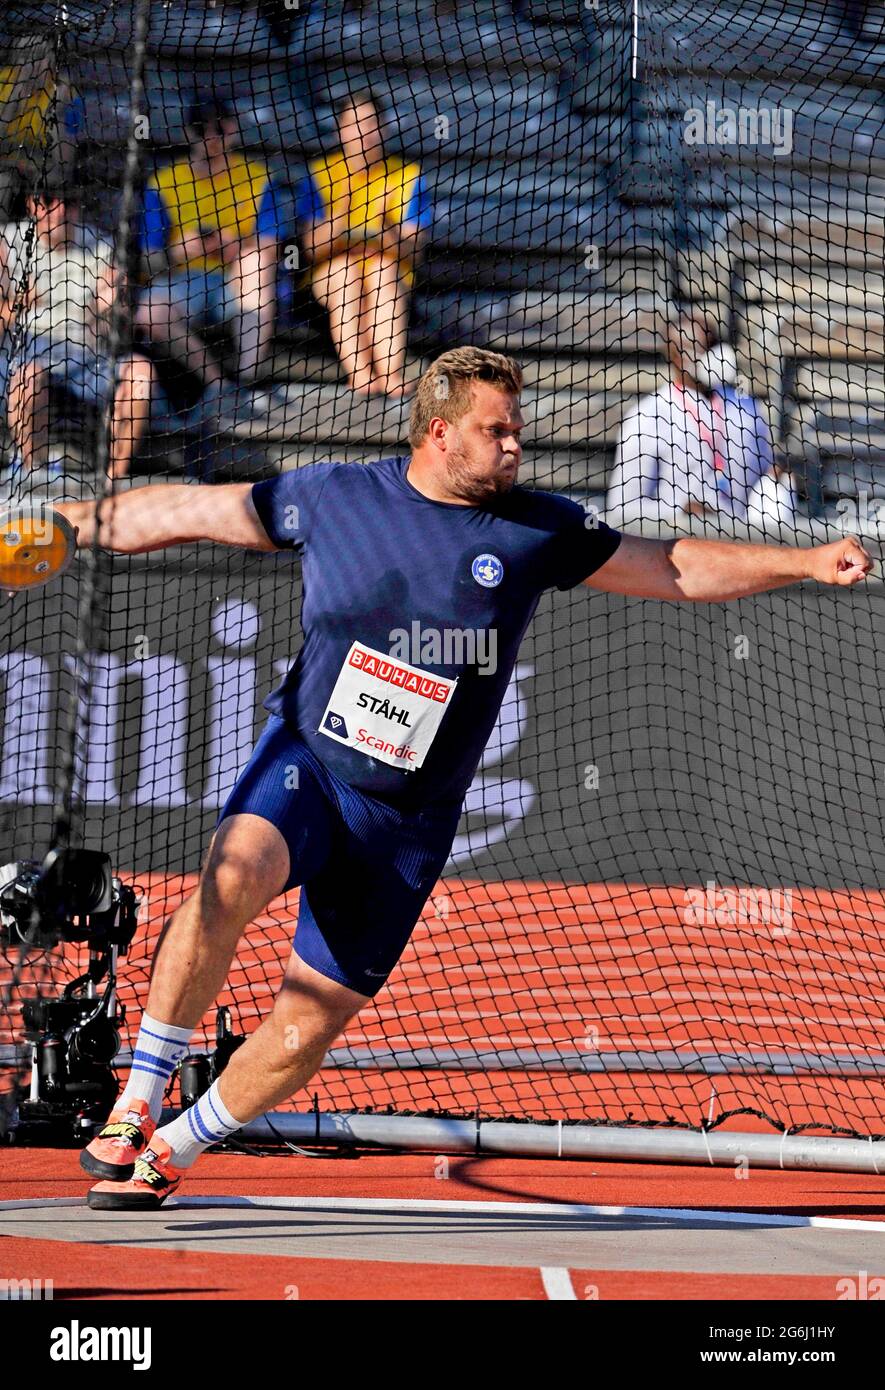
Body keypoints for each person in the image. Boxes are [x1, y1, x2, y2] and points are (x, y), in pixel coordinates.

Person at [55, 345, 871, 1209]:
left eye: (516, 430)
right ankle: (135, 1102)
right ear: (439, 433)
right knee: (226, 882)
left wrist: (805, 561)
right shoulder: (335, 496)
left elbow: (669, 565)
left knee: (303, 1031)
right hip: (310, 766)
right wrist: (65, 523)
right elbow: (184, 510)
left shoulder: (534, 529)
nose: (515, 445)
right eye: (497, 430)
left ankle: (176, 1147)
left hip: (405, 823)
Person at [0, 178, 159, 490]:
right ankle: (33, 474)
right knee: (28, 376)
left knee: (141, 372)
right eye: (48, 200)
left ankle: (112, 484)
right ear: (33, 204)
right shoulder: (8, 243)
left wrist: (110, 307)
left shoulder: (100, 246)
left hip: (87, 355)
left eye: (68, 202)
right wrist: (18, 303)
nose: (59, 211)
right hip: (27, 350)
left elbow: (117, 327)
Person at [135, 95, 285, 420]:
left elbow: (275, 245)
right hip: (182, 280)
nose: (212, 138)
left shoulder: (259, 177)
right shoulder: (164, 182)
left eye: (220, 128)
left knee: (257, 259)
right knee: (148, 312)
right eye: (202, 129)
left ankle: (248, 379)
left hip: (235, 279)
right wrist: (179, 251)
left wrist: (236, 244)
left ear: (232, 130)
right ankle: (218, 384)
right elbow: (146, 261)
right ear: (190, 133)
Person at [607, 308, 795, 532]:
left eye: (714, 346)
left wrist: (776, 475)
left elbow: (764, 475)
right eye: (702, 349)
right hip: (681, 547)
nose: (716, 356)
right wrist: (679, 511)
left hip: (742, 545)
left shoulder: (747, 407)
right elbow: (621, 507)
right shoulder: (646, 417)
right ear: (677, 357)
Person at [296, 90, 431, 396]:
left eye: (371, 124)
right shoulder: (320, 173)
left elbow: (416, 253)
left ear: (383, 129)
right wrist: (341, 214)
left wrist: (388, 232)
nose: (364, 134)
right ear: (341, 130)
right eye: (355, 125)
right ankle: (359, 374)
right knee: (345, 272)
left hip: (389, 276)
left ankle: (391, 375)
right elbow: (311, 250)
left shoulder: (407, 175)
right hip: (330, 279)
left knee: (382, 271)